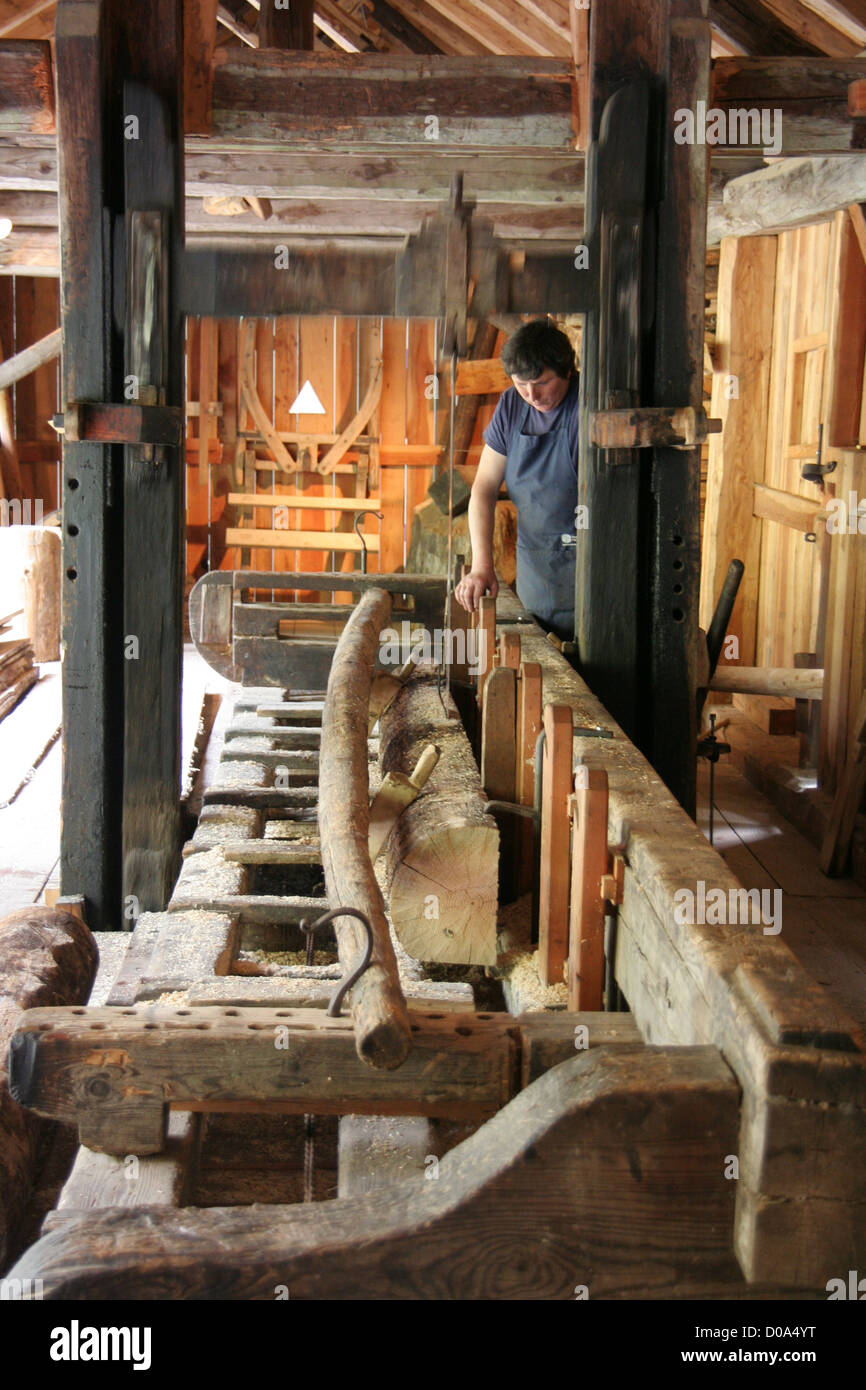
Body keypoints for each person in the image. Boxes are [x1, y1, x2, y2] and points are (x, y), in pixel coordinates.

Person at [454, 318, 579, 643]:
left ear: (566, 369)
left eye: (541, 382)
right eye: (521, 384)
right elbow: (483, 489)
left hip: (586, 569)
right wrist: (482, 565)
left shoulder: (586, 406)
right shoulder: (512, 406)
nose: (531, 395)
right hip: (535, 568)